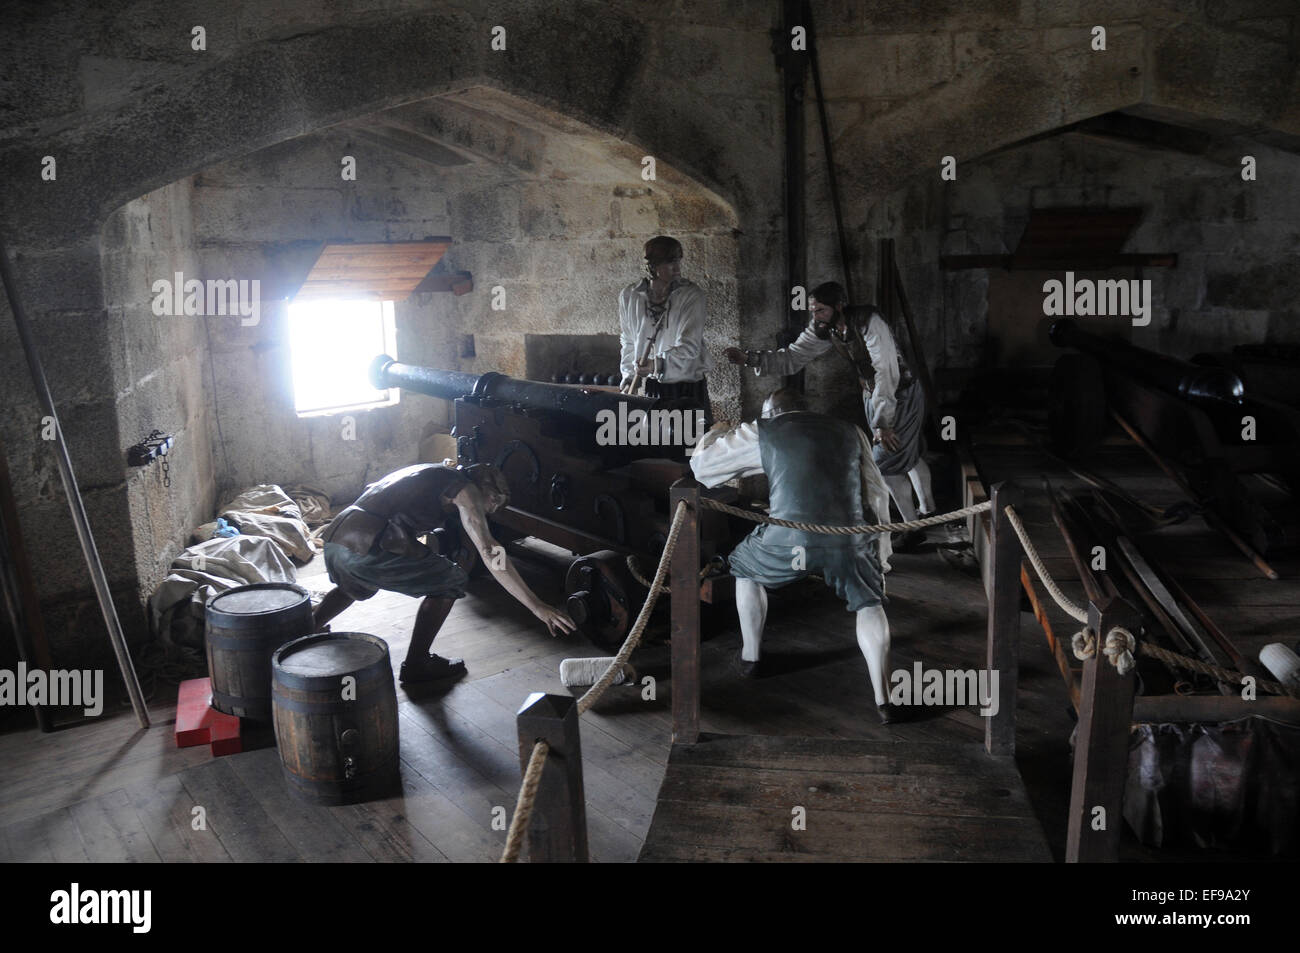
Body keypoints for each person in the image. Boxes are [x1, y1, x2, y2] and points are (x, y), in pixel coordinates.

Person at [690, 388, 897, 724]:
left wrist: (716, 433)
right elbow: (876, 493)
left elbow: (703, 468)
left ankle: (752, 657)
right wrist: (880, 554)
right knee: (869, 601)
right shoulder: (850, 431)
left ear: (772, 412)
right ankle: (884, 699)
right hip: (847, 541)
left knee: (743, 566)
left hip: (788, 540)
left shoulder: (764, 430)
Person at [313, 462, 575, 683]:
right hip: (366, 549)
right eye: (495, 500)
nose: (493, 509)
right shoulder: (465, 488)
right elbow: (489, 550)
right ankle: (417, 664)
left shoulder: (434, 473)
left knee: (356, 586)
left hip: (337, 541)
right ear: (485, 488)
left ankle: (308, 627)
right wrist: (537, 606)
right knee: (451, 579)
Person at [724, 281, 934, 550]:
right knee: (907, 453)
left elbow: (886, 372)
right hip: (872, 395)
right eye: (813, 310)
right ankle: (930, 511)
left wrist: (882, 422)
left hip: (898, 393)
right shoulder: (825, 329)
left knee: (886, 463)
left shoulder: (869, 321)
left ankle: (912, 527)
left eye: (821, 310)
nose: (816, 316)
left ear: (839, 306)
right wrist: (750, 359)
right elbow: (793, 356)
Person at [618, 235, 713, 425]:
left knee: (691, 447)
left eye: (678, 260)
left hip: (687, 387)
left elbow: (689, 347)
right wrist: (628, 375)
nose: (677, 268)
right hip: (653, 386)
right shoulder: (630, 296)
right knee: (657, 446)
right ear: (652, 266)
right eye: (670, 262)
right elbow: (628, 340)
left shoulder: (691, 295)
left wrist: (656, 365)